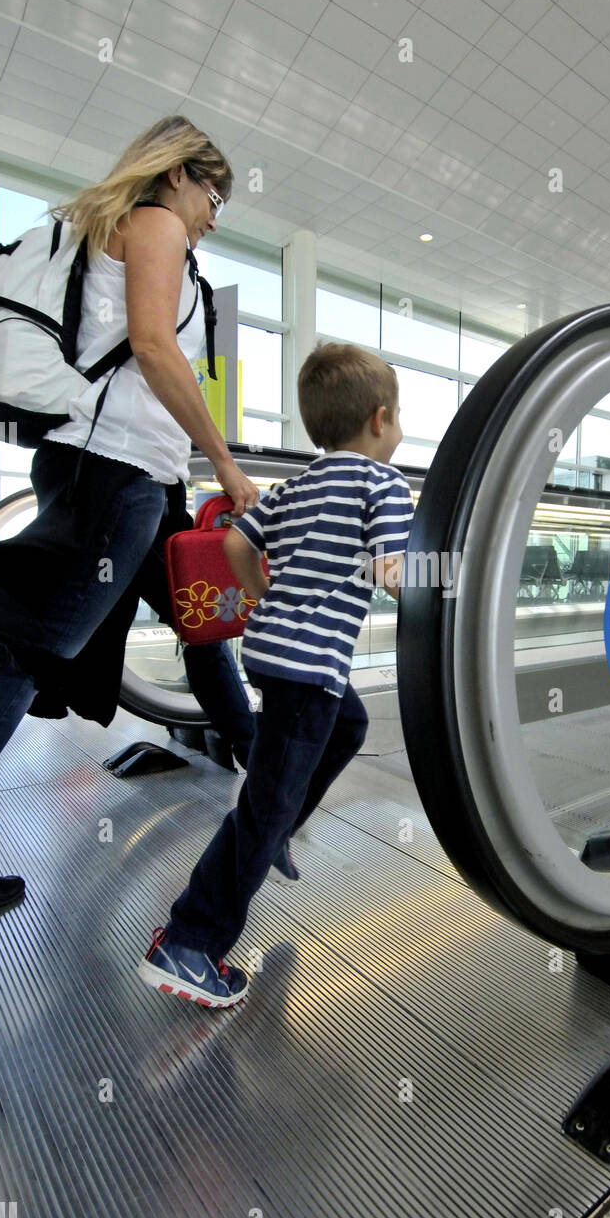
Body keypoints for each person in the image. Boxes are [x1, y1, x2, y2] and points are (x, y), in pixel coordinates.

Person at [0, 115, 260, 914]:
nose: (212, 215)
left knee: (202, 623)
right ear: (178, 176)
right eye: (214, 195)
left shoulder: (121, 229)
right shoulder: (157, 222)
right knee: (30, 651)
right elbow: (154, 345)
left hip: (138, 477)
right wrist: (227, 463)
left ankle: (271, 778)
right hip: (117, 477)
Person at [138, 342, 415, 1006]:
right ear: (379, 419)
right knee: (260, 810)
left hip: (268, 654)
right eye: (399, 416)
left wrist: (257, 594)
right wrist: (452, 589)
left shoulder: (298, 486)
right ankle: (190, 942)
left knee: (348, 724)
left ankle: (281, 823)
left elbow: (234, 543)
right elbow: (391, 569)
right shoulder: (382, 486)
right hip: (308, 667)